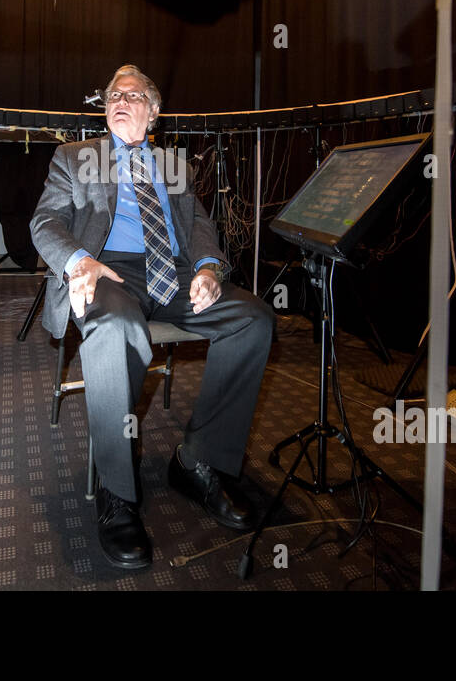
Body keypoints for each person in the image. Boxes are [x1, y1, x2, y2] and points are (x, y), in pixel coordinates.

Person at [30, 64, 275, 569]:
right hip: (108, 270)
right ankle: (117, 492)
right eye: (113, 94)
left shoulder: (174, 165)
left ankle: (199, 461)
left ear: (153, 112)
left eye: (133, 93)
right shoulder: (75, 157)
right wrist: (80, 262)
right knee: (117, 328)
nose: (120, 99)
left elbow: (202, 224)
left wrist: (208, 268)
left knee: (253, 318)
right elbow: (45, 220)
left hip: (175, 273)